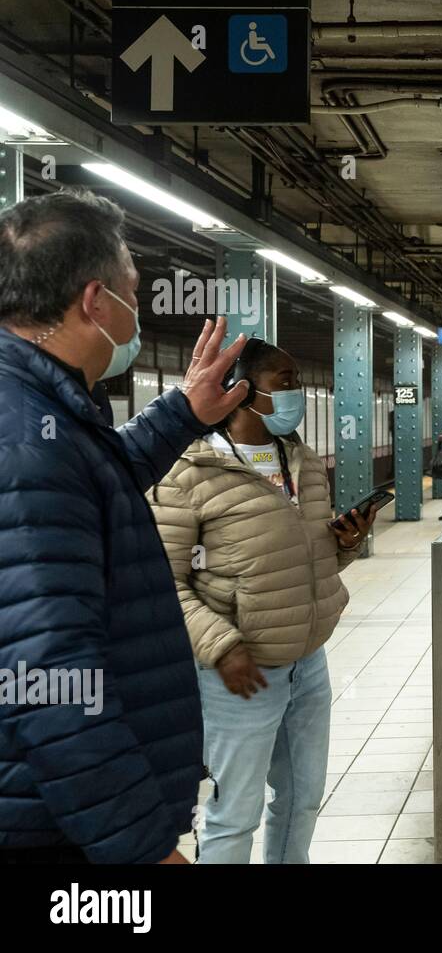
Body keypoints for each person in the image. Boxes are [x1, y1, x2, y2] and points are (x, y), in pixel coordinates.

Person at [0, 190, 251, 864]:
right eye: (133, 293)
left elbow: (90, 486)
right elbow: (49, 671)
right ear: (94, 302)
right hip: (57, 831)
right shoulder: (26, 432)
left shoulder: (34, 404)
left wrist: (180, 413)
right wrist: (141, 848)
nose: (137, 311)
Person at [150, 339, 377, 863]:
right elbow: (163, 582)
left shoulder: (303, 460)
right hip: (239, 672)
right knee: (236, 813)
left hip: (309, 664)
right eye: (284, 380)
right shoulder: (189, 473)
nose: (296, 392)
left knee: (301, 801)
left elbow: (307, 559)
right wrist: (222, 646)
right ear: (241, 390)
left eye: (297, 379)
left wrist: (345, 544)